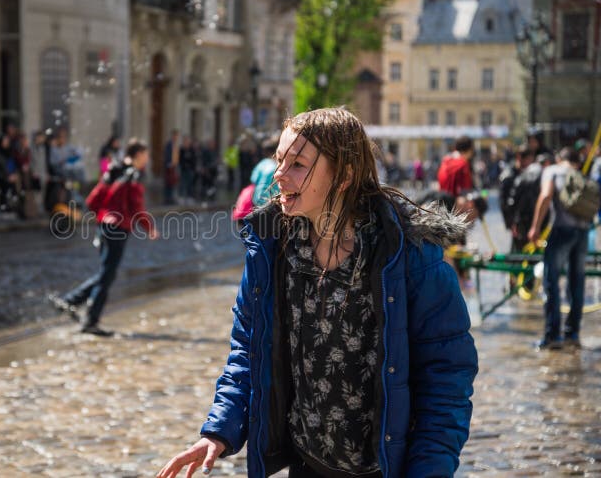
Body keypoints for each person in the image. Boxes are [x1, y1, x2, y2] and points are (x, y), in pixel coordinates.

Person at [158, 107, 477, 478]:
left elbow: (447, 378)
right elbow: (249, 349)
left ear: (344, 175)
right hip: (307, 463)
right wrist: (220, 431)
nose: (278, 175)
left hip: (385, 469)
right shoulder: (271, 248)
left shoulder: (411, 257)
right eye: (280, 160)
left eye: (297, 165)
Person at [53, 138, 158, 336]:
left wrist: (102, 215)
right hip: (118, 227)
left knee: (105, 272)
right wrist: (149, 227)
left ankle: (72, 302)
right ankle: (89, 318)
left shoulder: (113, 169)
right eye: (145, 155)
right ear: (137, 155)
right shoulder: (133, 175)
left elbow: (93, 199)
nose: (147, 159)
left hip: (104, 225)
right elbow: (137, 207)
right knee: (107, 274)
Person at [528, 147, 591, 350]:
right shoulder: (580, 174)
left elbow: (546, 196)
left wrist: (535, 227)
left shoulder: (553, 171)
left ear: (558, 158)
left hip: (561, 230)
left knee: (551, 280)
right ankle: (572, 334)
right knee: (577, 281)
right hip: (582, 233)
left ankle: (552, 335)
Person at [250, 134, 280, 207]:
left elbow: (253, 179)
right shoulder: (277, 166)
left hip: (257, 200)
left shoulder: (262, 163)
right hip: (272, 203)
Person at [163, 130, 180, 205]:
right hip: (169, 167)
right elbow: (166, 155)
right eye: (175, 135)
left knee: (173, 183)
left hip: (174, 166)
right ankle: (167, 198)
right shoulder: (169, 144)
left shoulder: (176, 145)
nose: (176, 137)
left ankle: (172, 198)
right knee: (168, 183)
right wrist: (168, 164)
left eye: (177, 136)